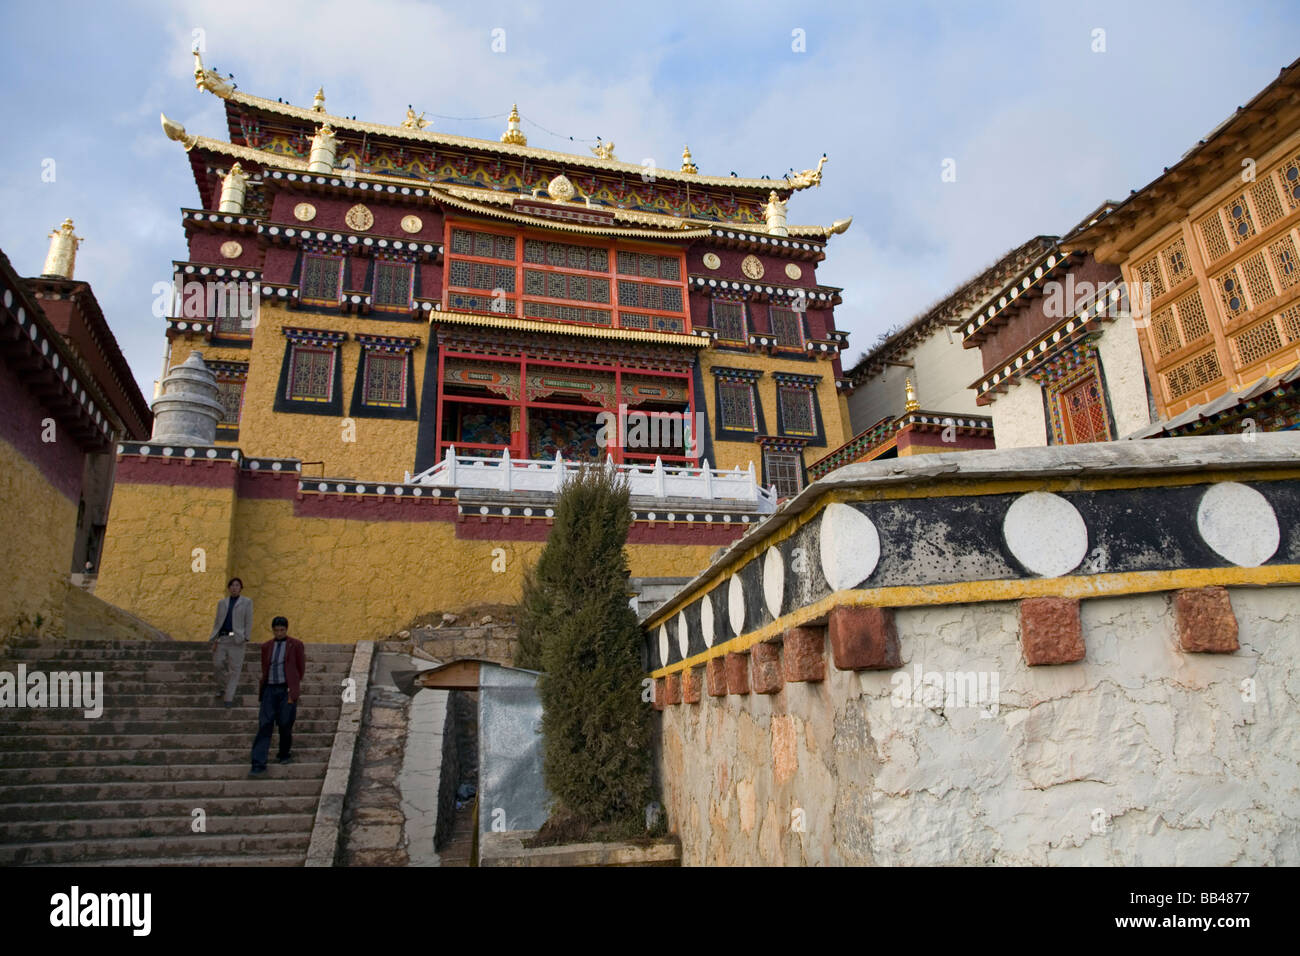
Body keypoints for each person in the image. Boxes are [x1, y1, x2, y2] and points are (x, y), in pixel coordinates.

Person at [250, 616, 305, 777]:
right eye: (276, 630)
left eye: (282, 630)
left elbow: (300, 668)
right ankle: (258, 763)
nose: (279, 633)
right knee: (265, 724)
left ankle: (284, 753)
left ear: (286, 630)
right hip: (269, 690)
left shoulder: (295, 645)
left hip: (286, 690)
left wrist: (293, 685)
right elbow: (264, 666)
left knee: (285, 723)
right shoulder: (267, 646)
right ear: (273, 630)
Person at [208, 577, 253, 708]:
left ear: (241, 588)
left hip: (237, 639)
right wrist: (215, 638)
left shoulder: (247, 602)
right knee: (217, 664)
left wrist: (246, 637)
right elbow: (217, 621)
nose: (234, 587)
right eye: (232, 585)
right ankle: (223, 686)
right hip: (223, 638)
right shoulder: (222, 603)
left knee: (235, 670)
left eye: (237, 585)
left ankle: (229, 698)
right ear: (229, 588)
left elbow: (248, 620)